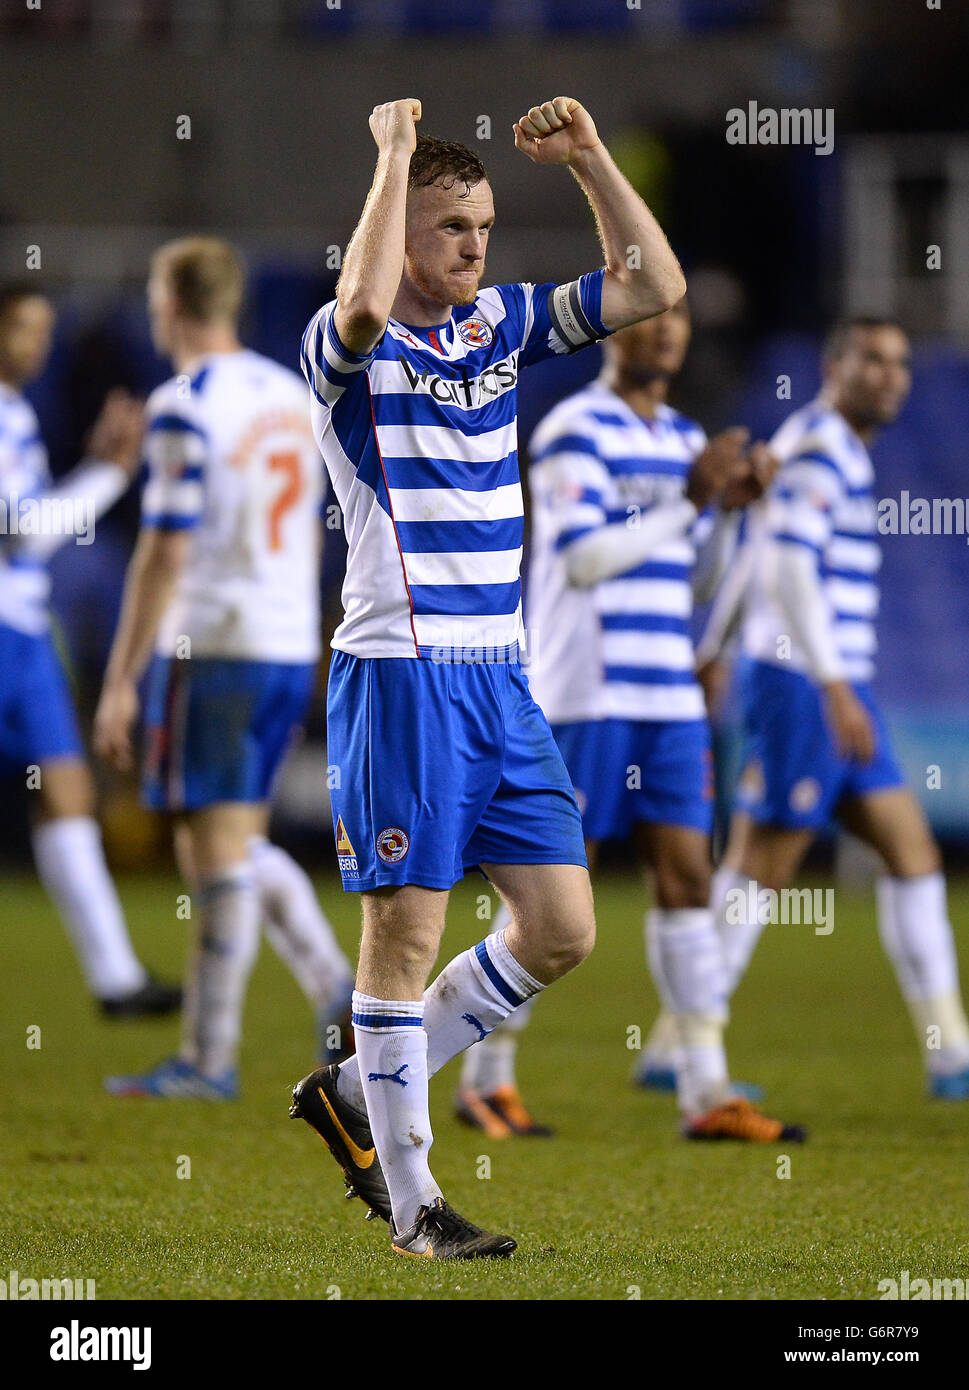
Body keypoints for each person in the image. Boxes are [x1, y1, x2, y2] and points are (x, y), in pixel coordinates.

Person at [289, 94, 687, 1261]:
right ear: (400, 231)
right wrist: (395, 154)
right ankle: (415, 1207)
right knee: (402, 943)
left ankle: (360, 1089)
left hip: (499, 681)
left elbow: (654, 284)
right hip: (401, 674)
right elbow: (362, 300)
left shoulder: (499, 326)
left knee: (562, 929)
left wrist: (596, 162)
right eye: (453, 226)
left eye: (486, 225)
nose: (476, 246)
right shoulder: (342, 349)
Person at [457, 300, 805, 1144]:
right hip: (586, 690)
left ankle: (703, 1089)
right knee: (550, 889)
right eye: (651, 319)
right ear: (616, 331)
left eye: (680, 323)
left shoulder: (686, 442)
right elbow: (580, 560)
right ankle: (486, 1078)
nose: (667, 333)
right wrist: (691, 503)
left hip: (666, 697)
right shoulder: (573, 430)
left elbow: (692, 581)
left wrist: (727, 513)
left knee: (687, 879)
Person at [94, 238, 354, 1099]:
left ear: (169, 303)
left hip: (212, 640)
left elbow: (164, 549)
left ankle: (208, 1056)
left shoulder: (182, 403)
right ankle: (334, 991)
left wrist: (121, 677)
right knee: (233, 841)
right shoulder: (288, 393)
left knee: (212, 849)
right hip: (285, 639)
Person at [702, 317, 969, 1100]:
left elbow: (756, 545)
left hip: (828, 681)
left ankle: (949, 1048)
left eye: (900, 362)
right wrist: (831, 684)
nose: (889, 376)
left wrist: (714, 645)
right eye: (872, 360)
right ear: (834, 366)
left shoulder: (818, 443)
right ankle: (687, 1042)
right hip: (805, 684)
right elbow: (785, 565)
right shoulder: (820, 446)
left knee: (911, 855)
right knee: (764, 869)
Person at [0, 281, 180, 1018]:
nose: (38, 346)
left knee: (67, 791)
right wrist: (110, 472)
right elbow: (23, 532)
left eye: (45, 330)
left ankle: (116, 981)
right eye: (24, 330)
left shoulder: (15, 412)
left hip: (24, 629)